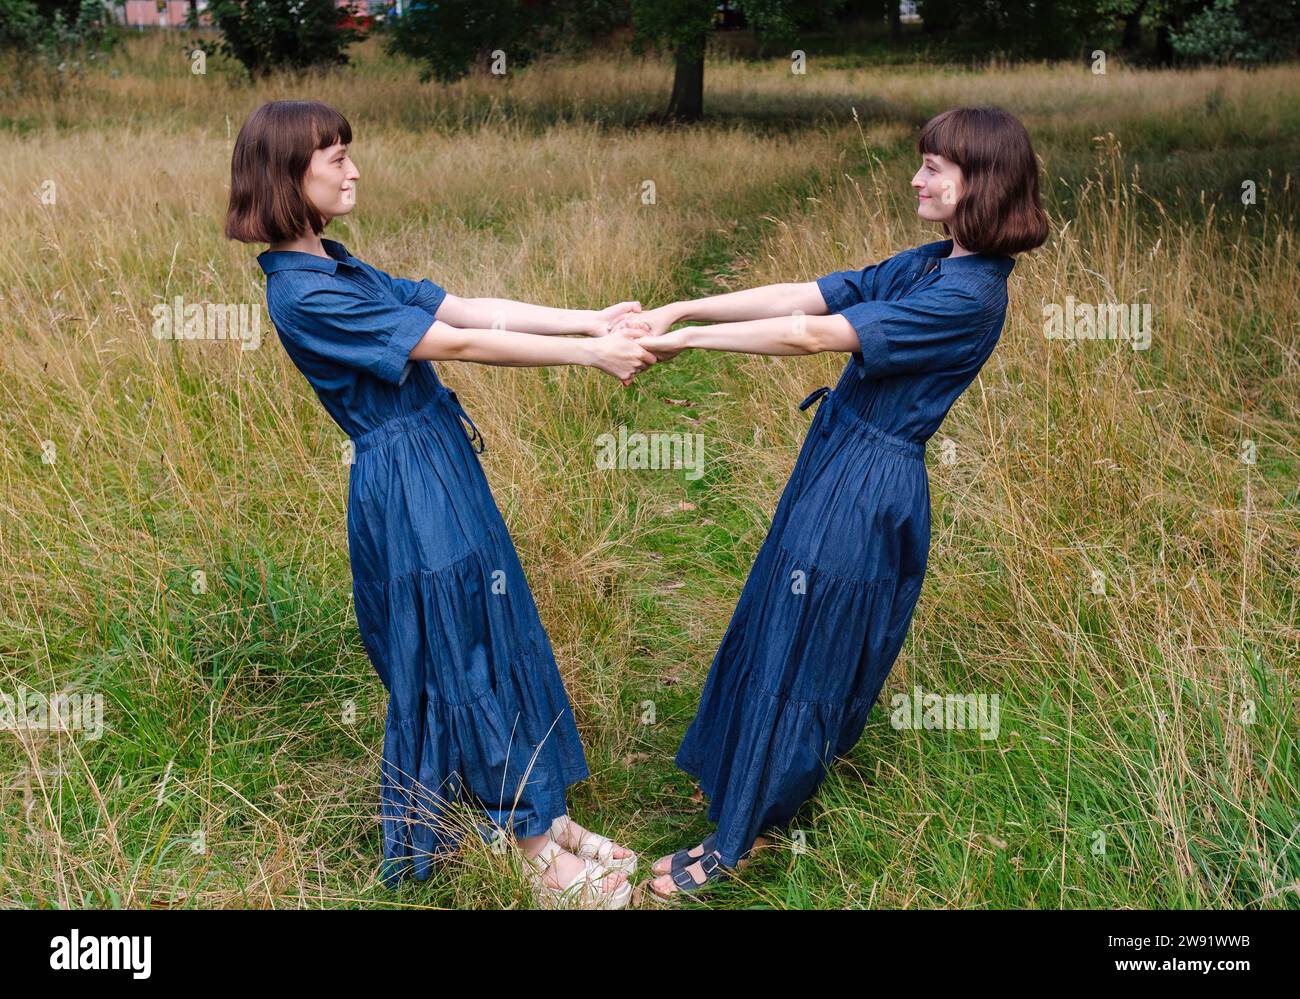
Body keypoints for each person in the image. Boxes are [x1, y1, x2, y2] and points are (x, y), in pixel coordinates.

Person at [226, 100, 651, 908]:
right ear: (287, 174)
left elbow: (464, 308)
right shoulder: (304, 293)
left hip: (439, 460)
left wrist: (589, 319)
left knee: (496, 625)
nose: (353, 170)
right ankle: (528, 849)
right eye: (336, 157)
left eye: (351, 152)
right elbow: (450, 344)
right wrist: (589, 356)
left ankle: (537, 810)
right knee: (461, 650)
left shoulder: (339, 263)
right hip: (407, 483)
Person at [626, 106, 1050, 896]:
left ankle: (739, 841)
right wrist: (687, 306)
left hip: (870, 485)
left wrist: (682, 343)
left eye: (934, 165)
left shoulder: (969, 295)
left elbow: (811, 336)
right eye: (920, 160)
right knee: (777, 619)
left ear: (981, 180)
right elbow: (815, 294)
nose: (917, 177)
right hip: (837, 458)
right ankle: (740, 791)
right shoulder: (933, 261)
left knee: (808, 648)